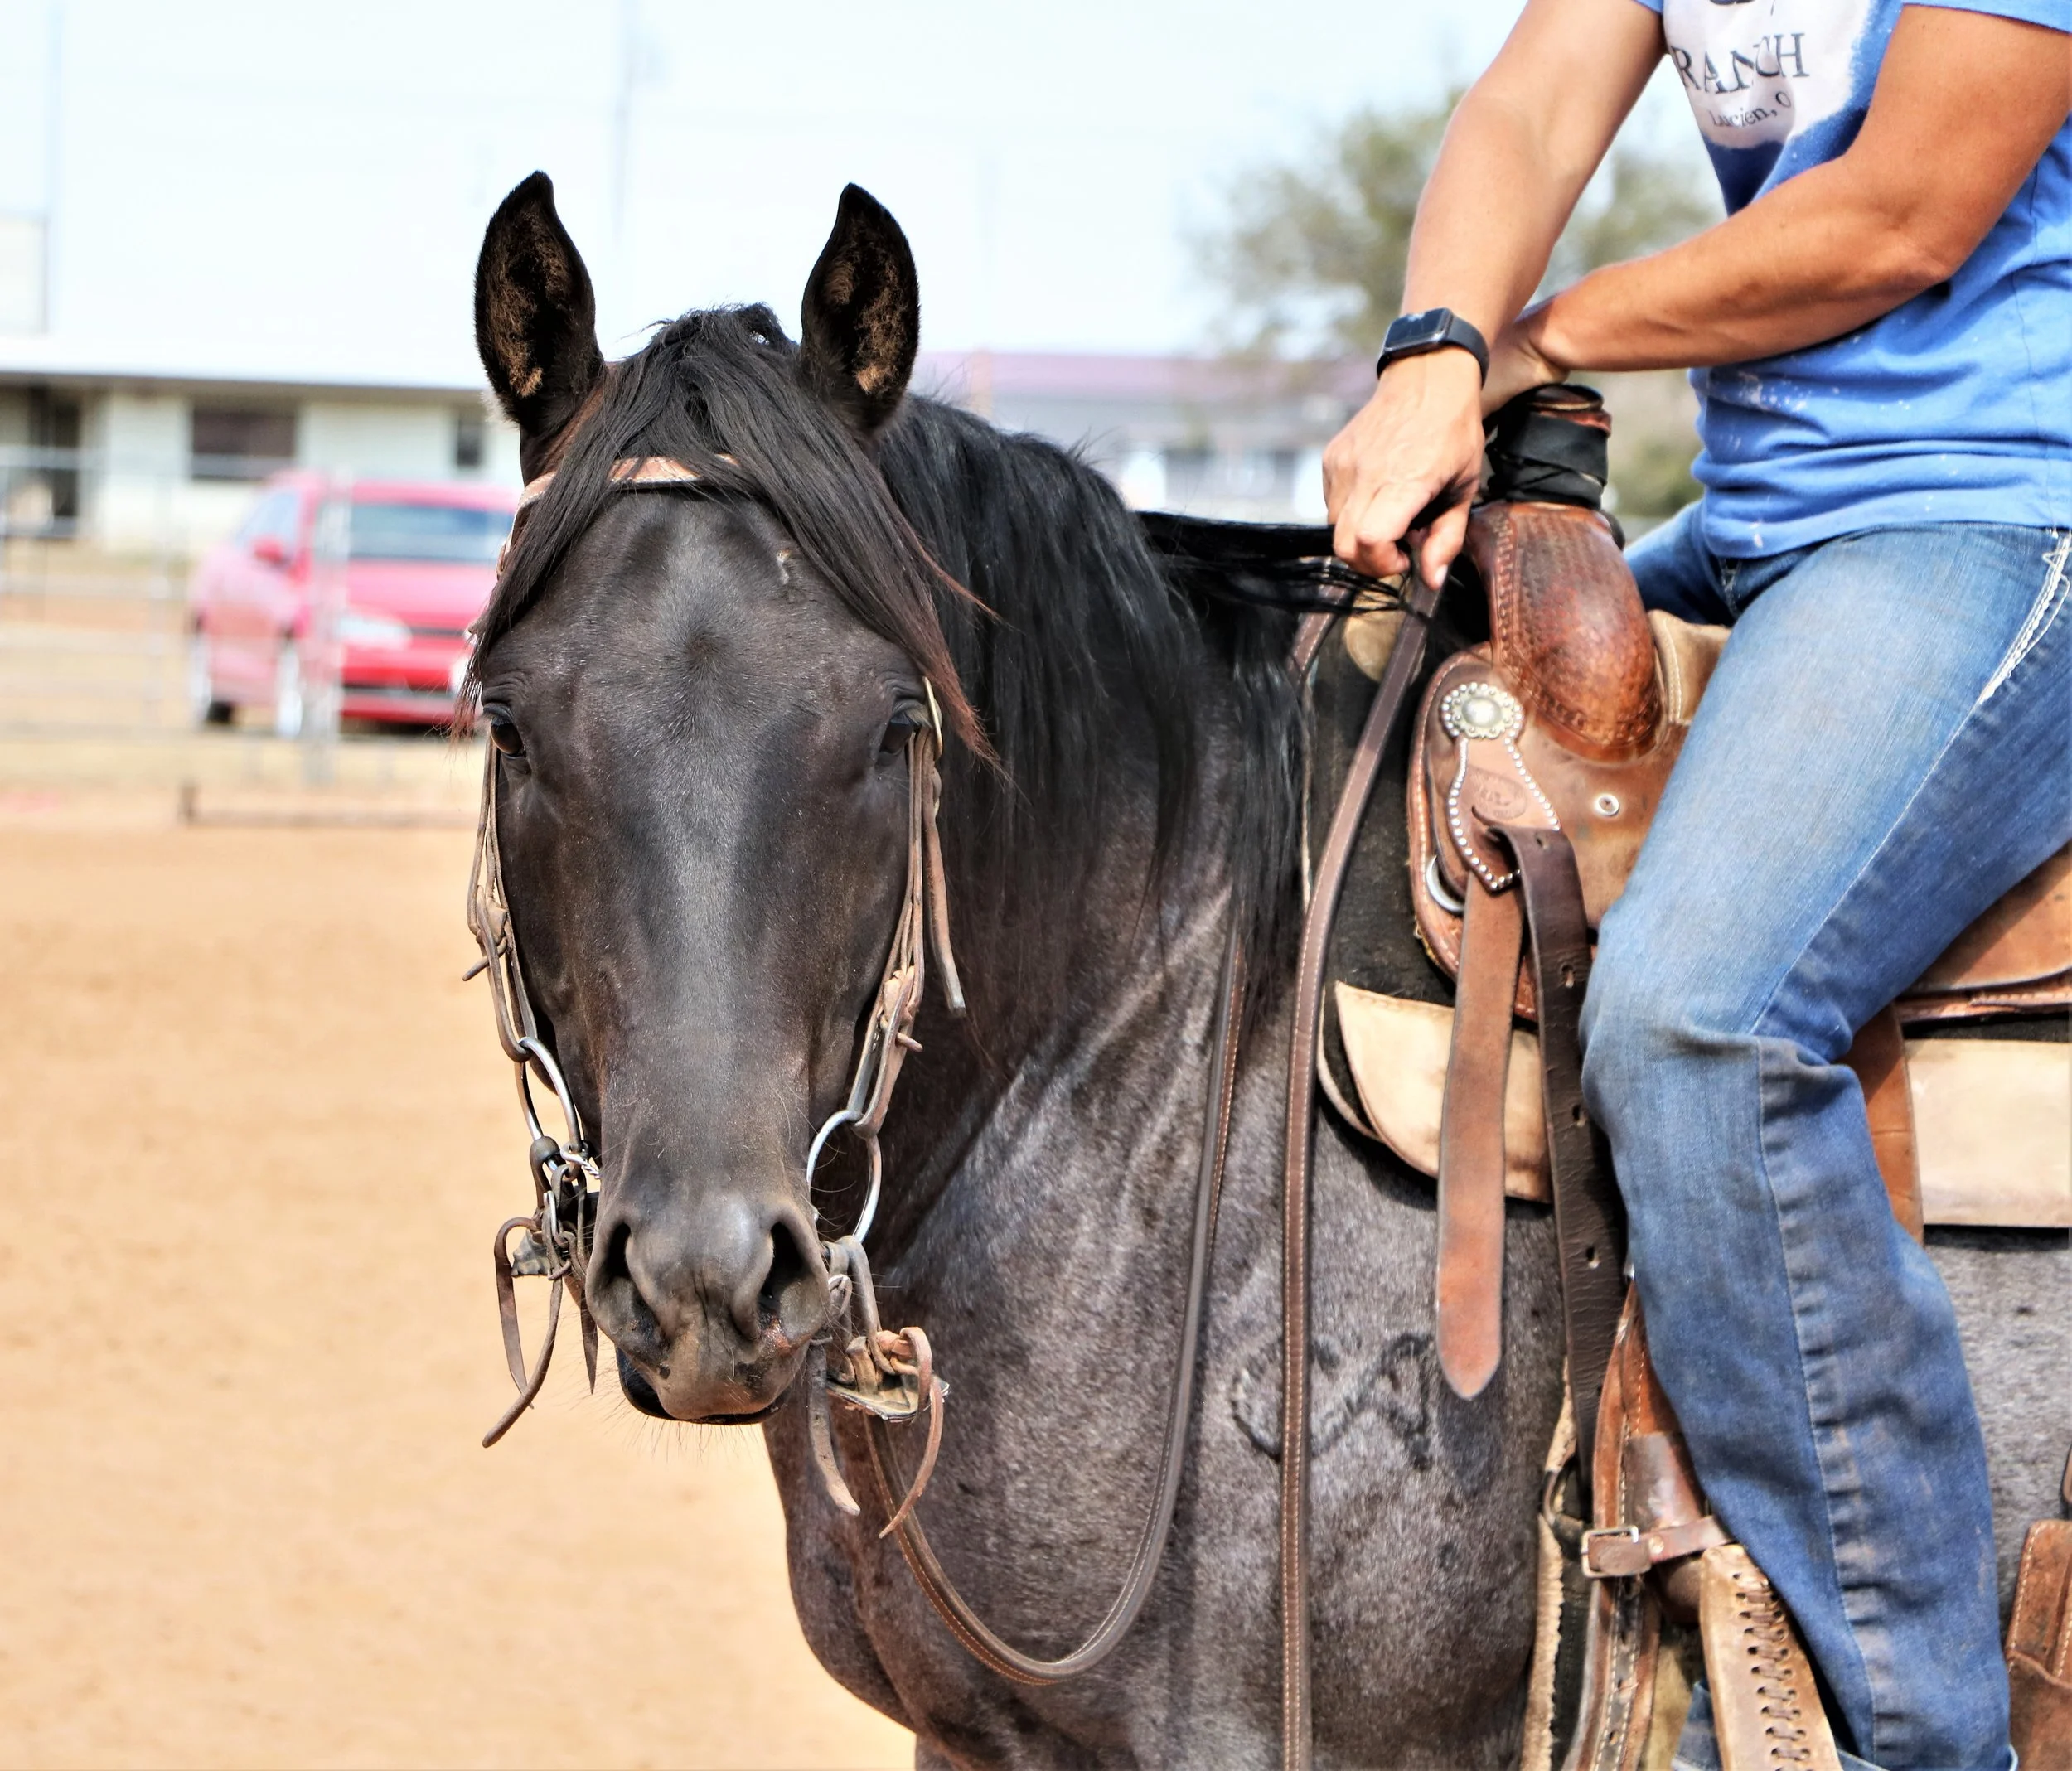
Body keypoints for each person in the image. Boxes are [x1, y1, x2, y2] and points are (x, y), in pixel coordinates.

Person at [1321, 0, 2070, 1764]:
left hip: (1994, 511)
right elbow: (1528, 105)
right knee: (1328, 741)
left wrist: (1533, 340)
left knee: (1697, 1023)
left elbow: (1901, 215)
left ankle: (1909, 1728)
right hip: (1758, 517)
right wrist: (1433, 348)